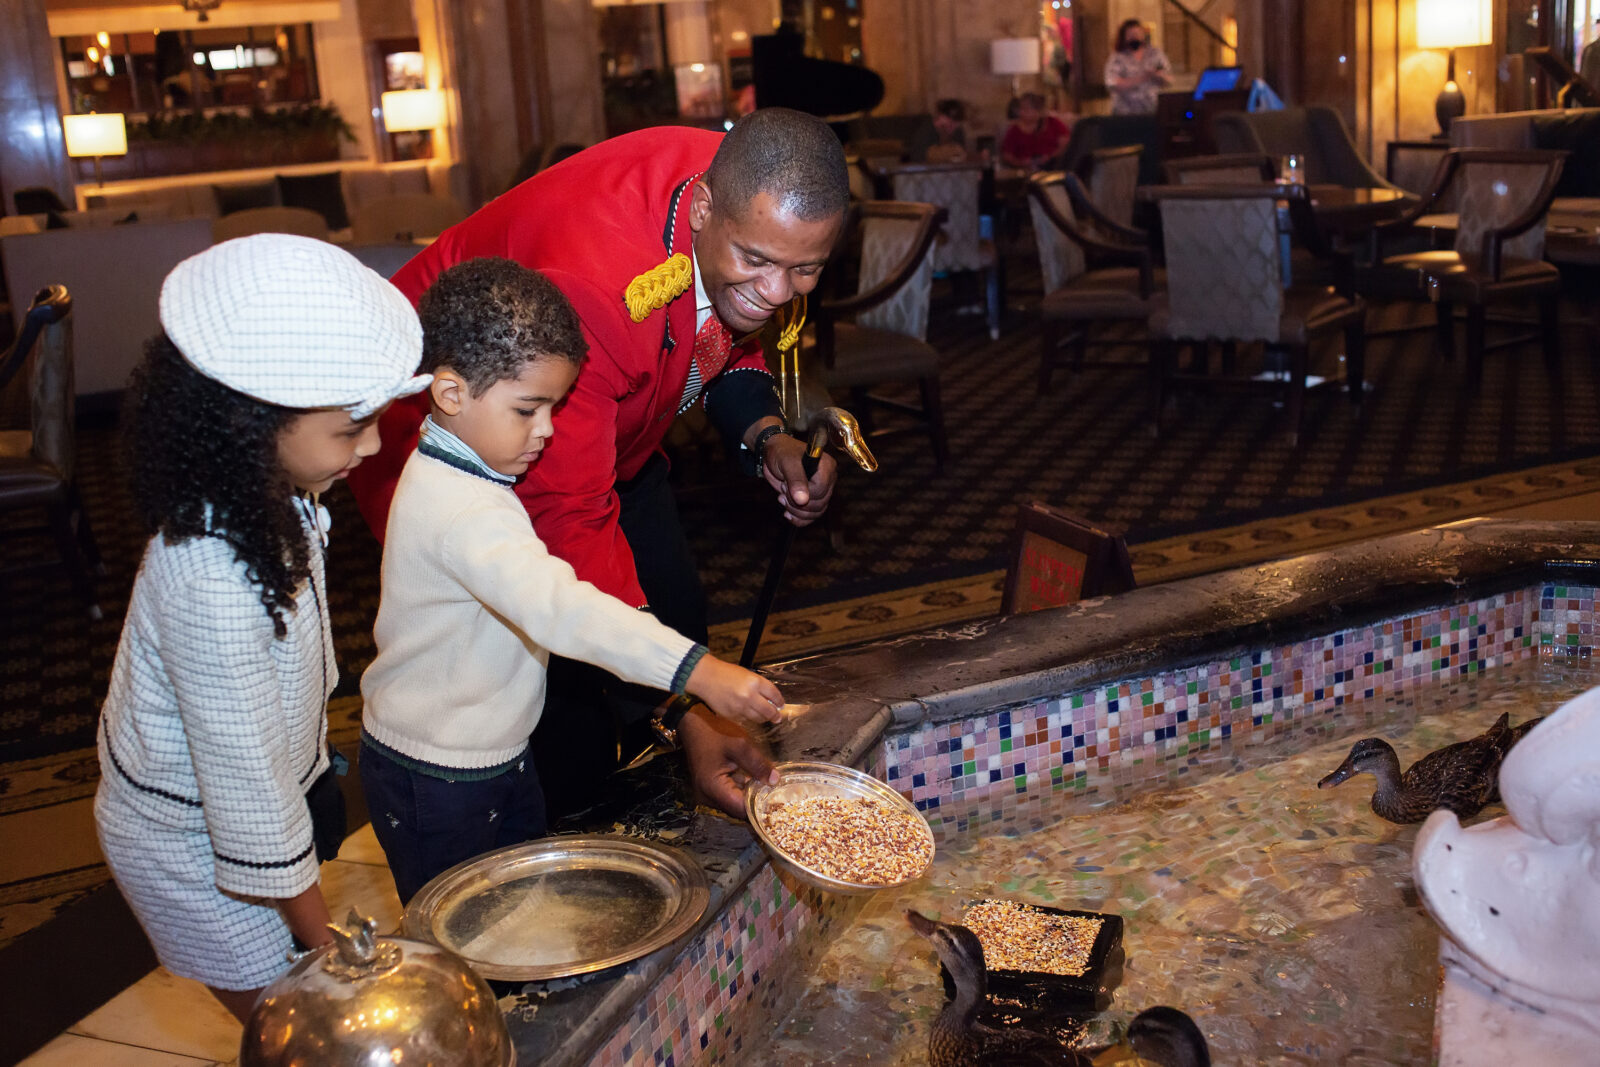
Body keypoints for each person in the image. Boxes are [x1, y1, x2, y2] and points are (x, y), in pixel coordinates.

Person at [346, 108, 850, 821]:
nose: (776, 292)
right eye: (758, 263)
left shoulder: (759, 189)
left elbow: (722, 335)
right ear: (704, 207)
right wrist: (684, 711)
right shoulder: (599, 285)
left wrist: (768, 436)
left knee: (672, 599)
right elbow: (571, 520)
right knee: (551, 692)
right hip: (476, 428)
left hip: (607, 427)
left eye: (806, 269)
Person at [359, 257, 787, 903]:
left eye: (553, 407)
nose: (548, 430)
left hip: (494, 751)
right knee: (465, 929)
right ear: (451, 395)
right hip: (438, 777)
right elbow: (560, 605)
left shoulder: (471, 469)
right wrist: (695, 669)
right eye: (527, 409)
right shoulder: (460, 509)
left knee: (522, 905)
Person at [94, 234, 432, 1022]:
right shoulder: (209, 575)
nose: (374, 445)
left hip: (251, 809)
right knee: (298, 1023)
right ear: (252, 423)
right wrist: (329, 947)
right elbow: (245, 790)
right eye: (352, 430)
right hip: (191, 844)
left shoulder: (268, 495)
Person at [1104, 19, 1172, 115]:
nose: (1134, 37)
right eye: (1131, 35)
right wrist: (1144, 77)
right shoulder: (1117, 58)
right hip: (1125, 113)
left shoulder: (1155, 54)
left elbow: (1169, 80)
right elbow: (1113, 84)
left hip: (1152, 111)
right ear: (1124, 37)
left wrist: (1158, 76)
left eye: (1137, 34)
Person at [1000, 92, 1070, 171]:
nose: (1021, 113)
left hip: (1053, 169)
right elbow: (1007, 156)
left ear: (1038, 111)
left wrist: (1050, 157)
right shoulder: (1013, 131)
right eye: (1021, 109)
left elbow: (1065, 145)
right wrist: (1022, 163)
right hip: (1024, 172)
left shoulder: (1053, 123)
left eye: (1026, 109)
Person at [910, 99, 976, 164]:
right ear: (940, 116)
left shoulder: (958, 132)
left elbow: (961, 155)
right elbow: (919, 158)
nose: (953, 126)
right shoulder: (925, 132)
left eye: (955, 122)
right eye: (949, 119)